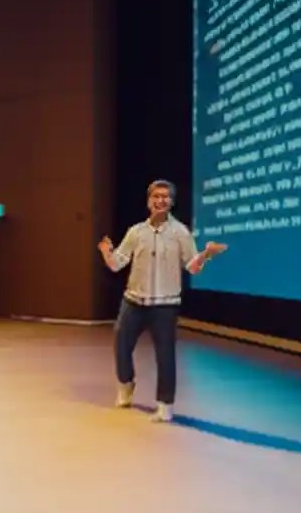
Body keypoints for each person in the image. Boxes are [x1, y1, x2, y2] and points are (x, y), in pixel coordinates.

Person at [97, 179, 227, 422]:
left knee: (165, 355)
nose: (161, 200)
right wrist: (106, 251)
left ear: (171, 202)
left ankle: (165, 404)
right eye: (156, 196)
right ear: (149, 201)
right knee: (121, 345)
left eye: (166, 197)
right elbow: (117, 264)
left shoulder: (181, 233)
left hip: (165, 305)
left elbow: (191, 266)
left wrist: (206, 255)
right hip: (133, 301)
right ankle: (126, 384)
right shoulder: (136, 232)